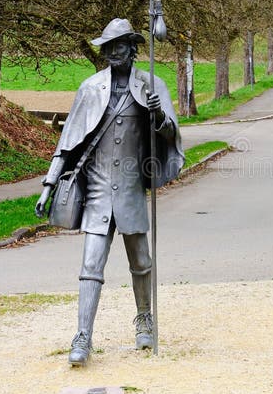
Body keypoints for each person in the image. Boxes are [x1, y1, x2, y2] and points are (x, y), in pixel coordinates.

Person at [35, 18, 184, 366]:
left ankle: (144, 319)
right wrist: (48, 186)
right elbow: (67, 142)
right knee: (90, 265)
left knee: (141, 262)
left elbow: (171, 135)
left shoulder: (152, 86)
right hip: (98, 192)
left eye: (119, 45)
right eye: (108, 46)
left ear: (132, 49)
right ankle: (82, 337)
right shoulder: (90, 88)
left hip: (130, 189)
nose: (113, 52)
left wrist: (157, 114)